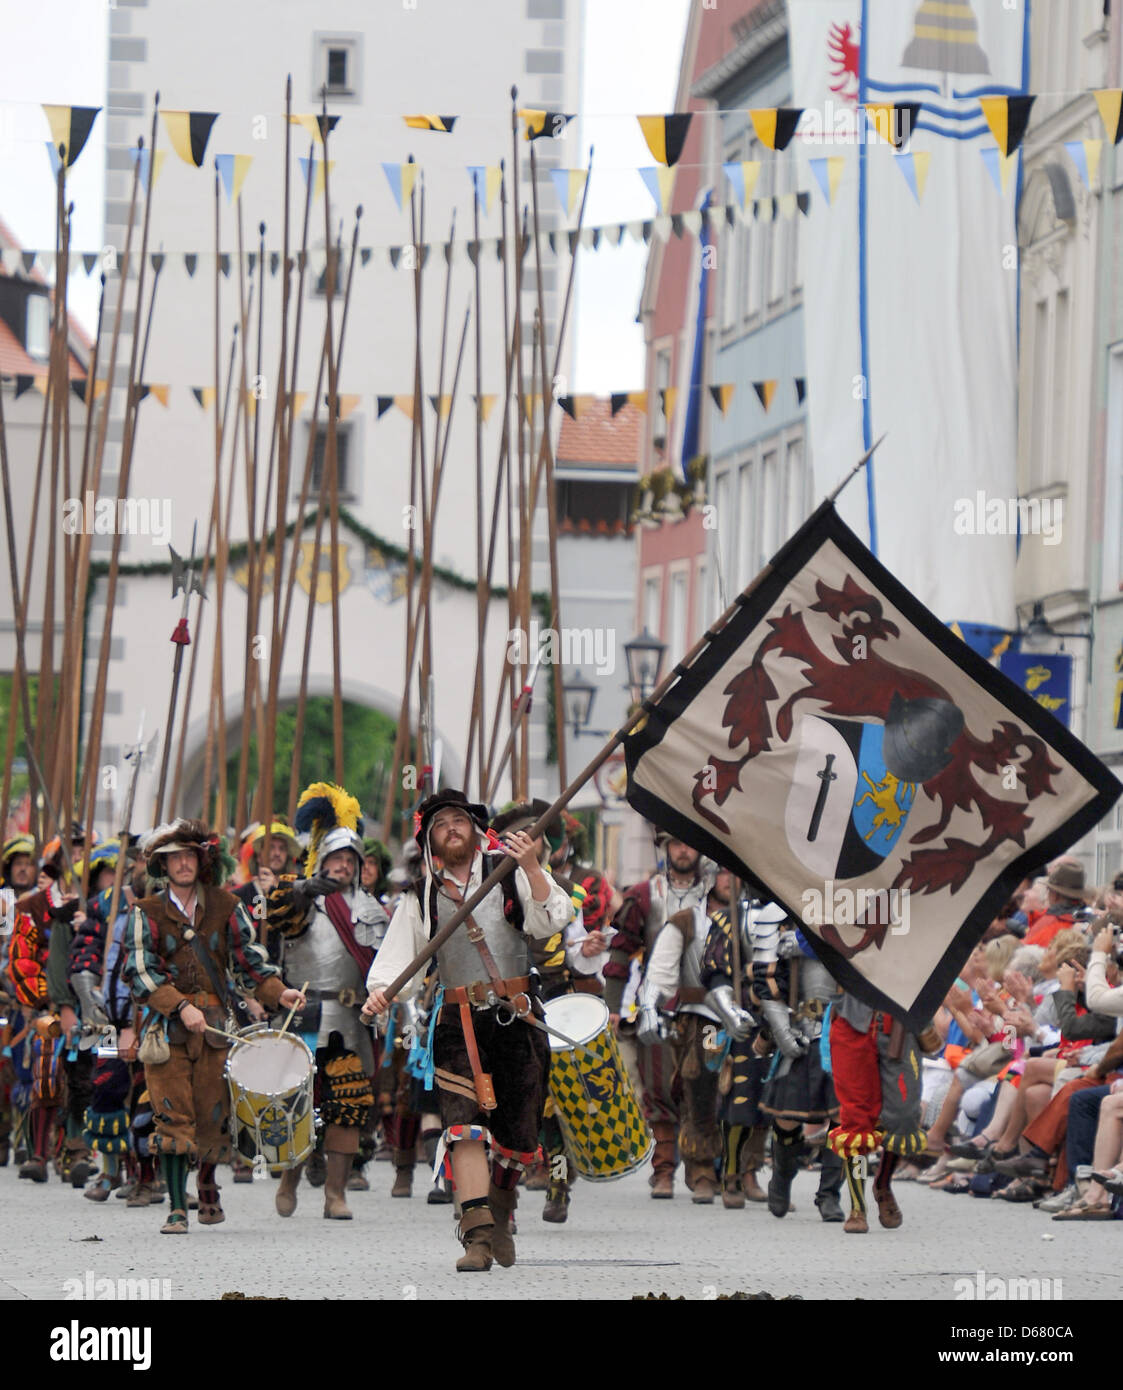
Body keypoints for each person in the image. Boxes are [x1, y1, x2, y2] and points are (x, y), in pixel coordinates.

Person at [362, 789, 573, 1272]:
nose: (451, 828)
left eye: (459, 820)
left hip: (517, 1018)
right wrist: (382, 991)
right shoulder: (419, 896)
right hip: (458, 1023)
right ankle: (476, 1238)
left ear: (476, 830)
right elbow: (399, 962)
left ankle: (499, 1212)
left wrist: (534, 867)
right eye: (441, 824)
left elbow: (553, 919)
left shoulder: (510, 871)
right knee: (464, 1129)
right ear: (430, 841)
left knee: (519, 1136)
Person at [122, 818, 304, 1234]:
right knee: (170, 1116)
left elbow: (248, 963)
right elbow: (140, 972)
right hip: (167, 1032)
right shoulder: (145, 912)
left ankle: (206, 1182)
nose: (183, 864)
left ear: (201, 861)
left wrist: (279, 992)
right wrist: (180, 1006)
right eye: (173, 858)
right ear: (162, 866)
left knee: (211, 1116)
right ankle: (175, 1207)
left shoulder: (226, 905)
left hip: (218, 1030)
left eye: (189, 855)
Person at [265, 782, 389, 1218]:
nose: (341, 866)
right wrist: (303, 888)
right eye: (334, 858)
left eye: (348, 860)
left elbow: (386, 968)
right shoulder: (299, 900)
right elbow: (273, 910)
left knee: (347, 1106)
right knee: (298, 1102)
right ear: (321, 859)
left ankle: (336, 1193)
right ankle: (289, 1180)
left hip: (351, 1020)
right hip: (304, 1014)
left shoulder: (372, 909)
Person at [606, 829, 711, 1198]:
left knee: (703, 1087)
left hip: (707, 1006)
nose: (684, 849)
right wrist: (613, 1007)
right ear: (666, 848)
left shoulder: (719, 893)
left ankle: (701, 1172)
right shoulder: (643, 895)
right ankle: (664, 1170)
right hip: (658, 1005)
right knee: (659, 1088)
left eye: (688, 841)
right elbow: (620, 953)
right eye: (677, 843)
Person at [637, 859, 725, 1203]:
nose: (729, 880)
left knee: (740, 1098)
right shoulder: (684, 918)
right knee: (686, 1090)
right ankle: (682, 1170)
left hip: (746, 1017)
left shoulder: (753, 915)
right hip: (692, 1014)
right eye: (724, 872)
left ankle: (737, 1174)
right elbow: (657, 969)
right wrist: (647, 1007)